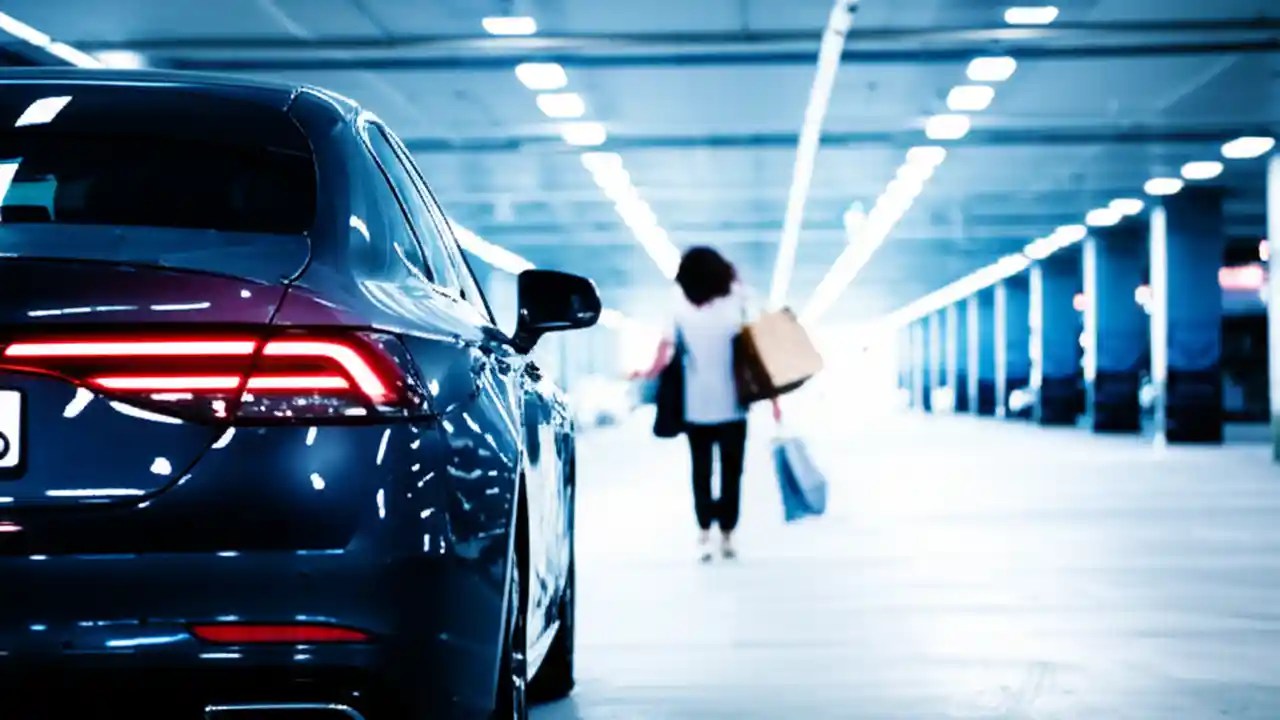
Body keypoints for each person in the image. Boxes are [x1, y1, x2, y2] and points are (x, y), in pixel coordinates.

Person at [639, 247, 777, 562]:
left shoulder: (677, 300)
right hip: (734, 406)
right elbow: (759, 350)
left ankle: (704, 533)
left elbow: (665, 348)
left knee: (700, 472)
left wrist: (647, 373)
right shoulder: (738, 298)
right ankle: (727, 534)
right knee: (732, 472)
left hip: (695, 405)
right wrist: (774, 399)